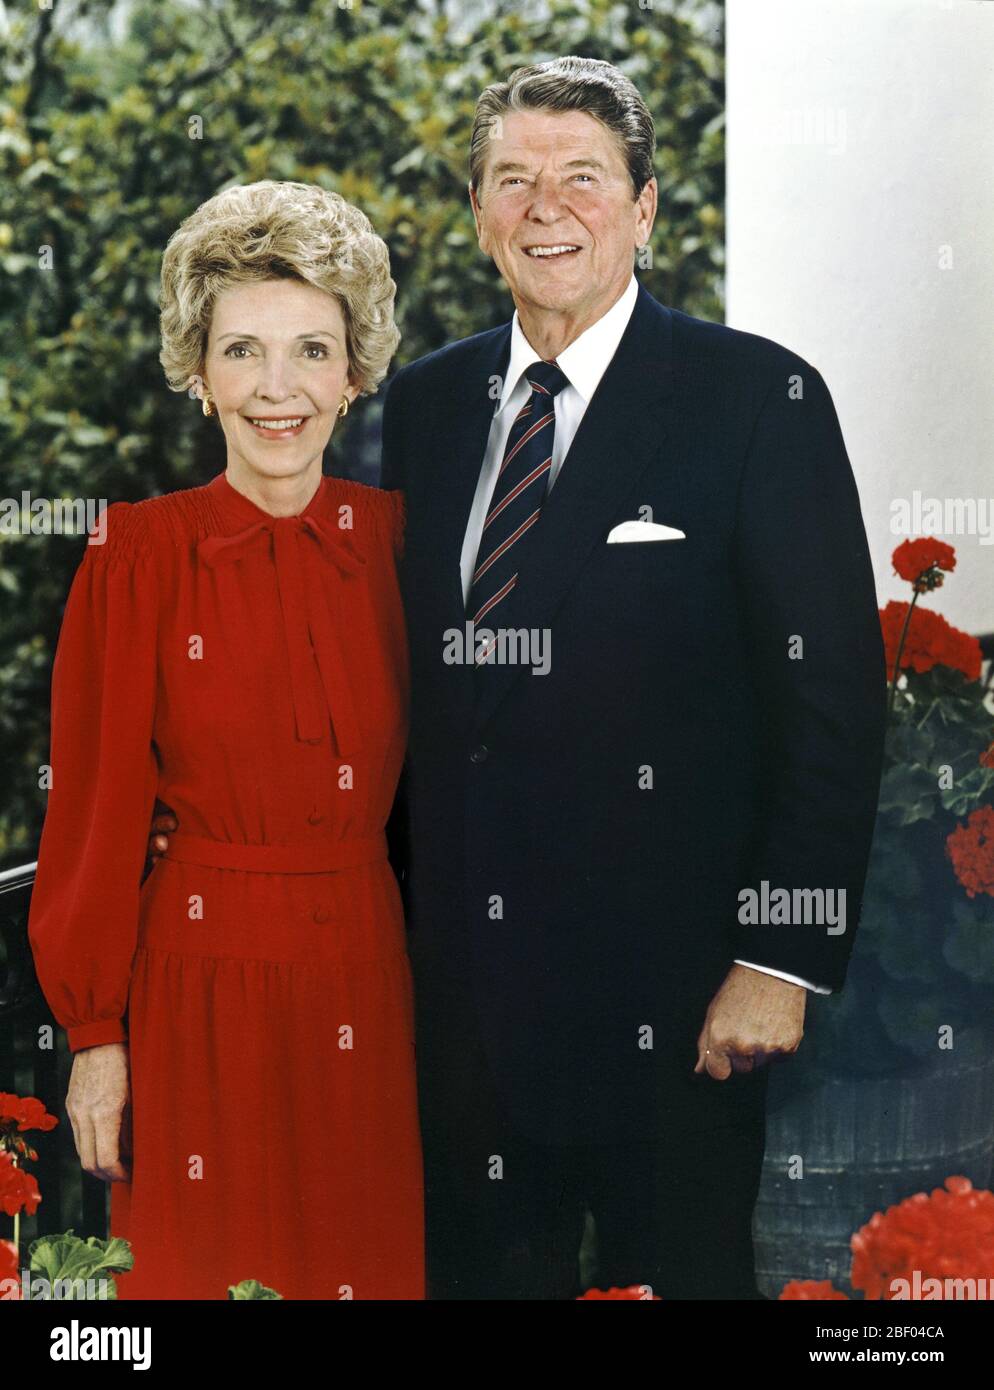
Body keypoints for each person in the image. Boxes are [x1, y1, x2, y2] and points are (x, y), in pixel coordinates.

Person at [377, 57, 887, 1299]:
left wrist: (780, 959)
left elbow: (830, 698)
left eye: (582, 178)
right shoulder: (422, 407)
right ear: (479, 207)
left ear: (646, 207)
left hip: (681, 1002)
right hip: (461, 1013)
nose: (546, 206)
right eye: (514, 179)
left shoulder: (753, 396)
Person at [28, 180, 423, 1300]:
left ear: (355, 374)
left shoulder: (402, 546)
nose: (278, 388)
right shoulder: (137, 556)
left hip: (369, 978)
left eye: (311, 349)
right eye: (242, 352)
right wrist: (94, 1036)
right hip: (192, 990)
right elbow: (96, 811)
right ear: (198, 376)